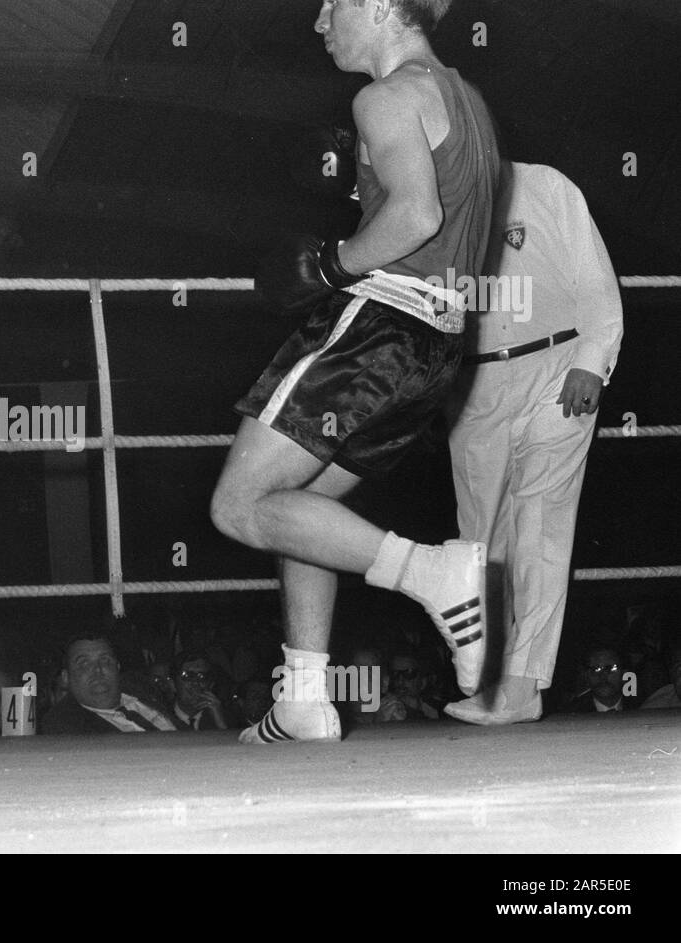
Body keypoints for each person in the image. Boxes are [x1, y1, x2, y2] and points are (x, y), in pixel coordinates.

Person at [210, 0, 500, 744]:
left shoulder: (385, 95)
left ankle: (429, 571)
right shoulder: (464, 97)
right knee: (297, 507)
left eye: (332, 5)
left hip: (377, 328)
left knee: (238, 506)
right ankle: (305, 695)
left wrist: (332, 266)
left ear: (377, 5)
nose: (318, 22)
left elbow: (416, 216)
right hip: (435, 350)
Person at [444, 162, 623, 725]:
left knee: (541, 527)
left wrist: (591, 362)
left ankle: (522, 684)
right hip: (471, 384)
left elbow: (596, 282)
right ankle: (493, 681)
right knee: (481, 540)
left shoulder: (546, 186)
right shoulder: (427, 199)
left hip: (556, 368)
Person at [41, 635, 178, 735]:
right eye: (84, 664)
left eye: (105, 660)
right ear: (66, 677)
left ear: (118, 666)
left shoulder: (143, 690)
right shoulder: (64, 723)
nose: (98, 670)